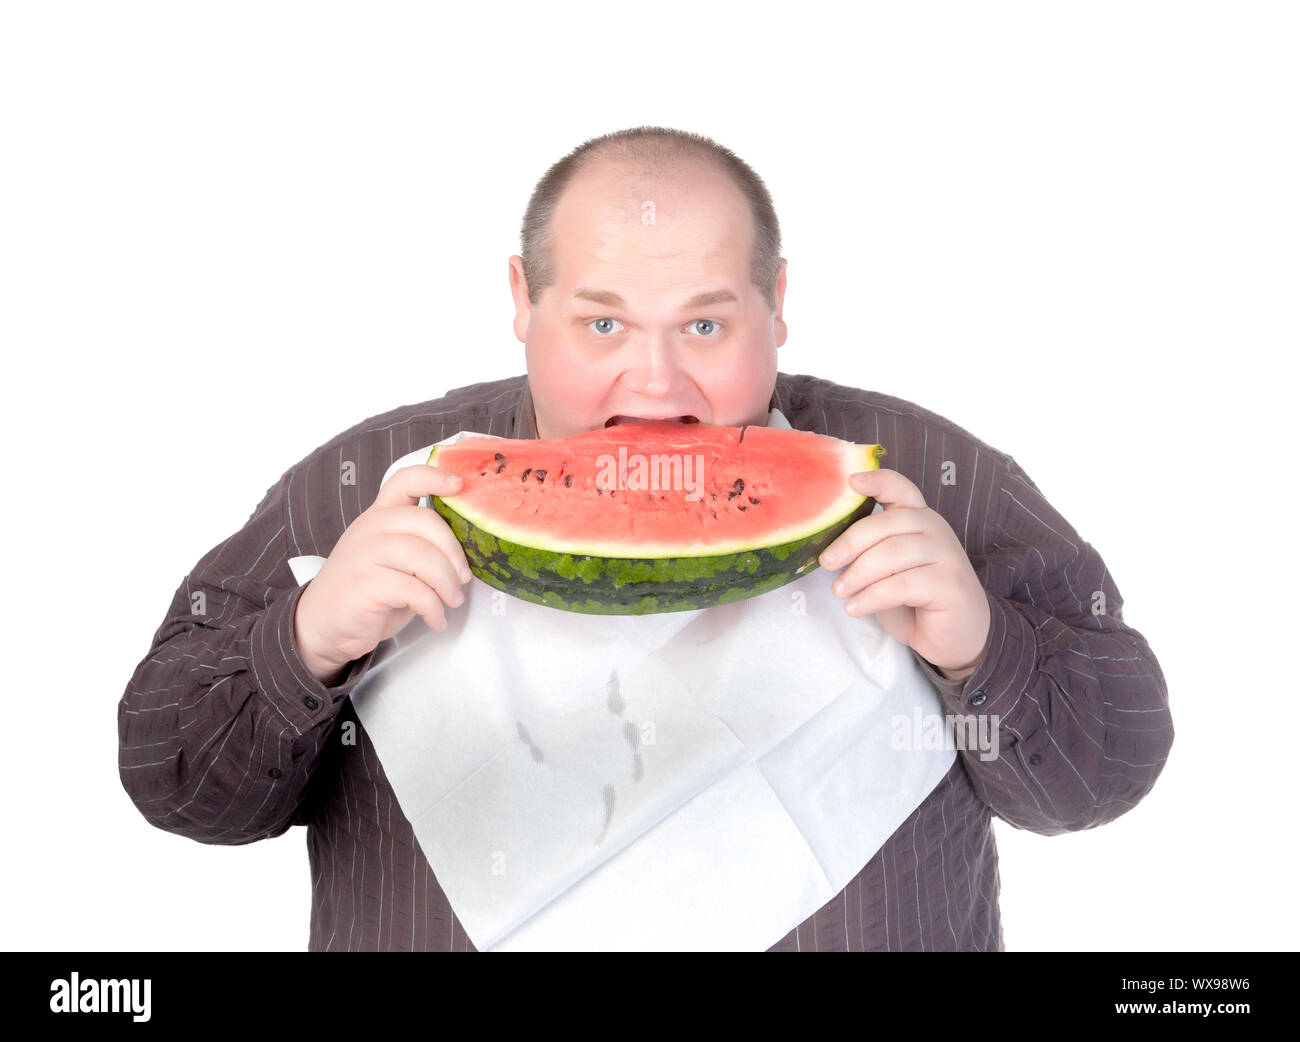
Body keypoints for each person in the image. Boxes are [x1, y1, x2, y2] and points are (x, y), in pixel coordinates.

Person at [117, 125, 1175, 951]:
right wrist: (300, 641)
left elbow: (1106, 775)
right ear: (522, 302)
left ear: (778, 304)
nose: (658, 385)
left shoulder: (932, 477)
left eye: (706, 325)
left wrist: (986, 651)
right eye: (604, 324)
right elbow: (176, 786)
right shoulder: (364, 484)